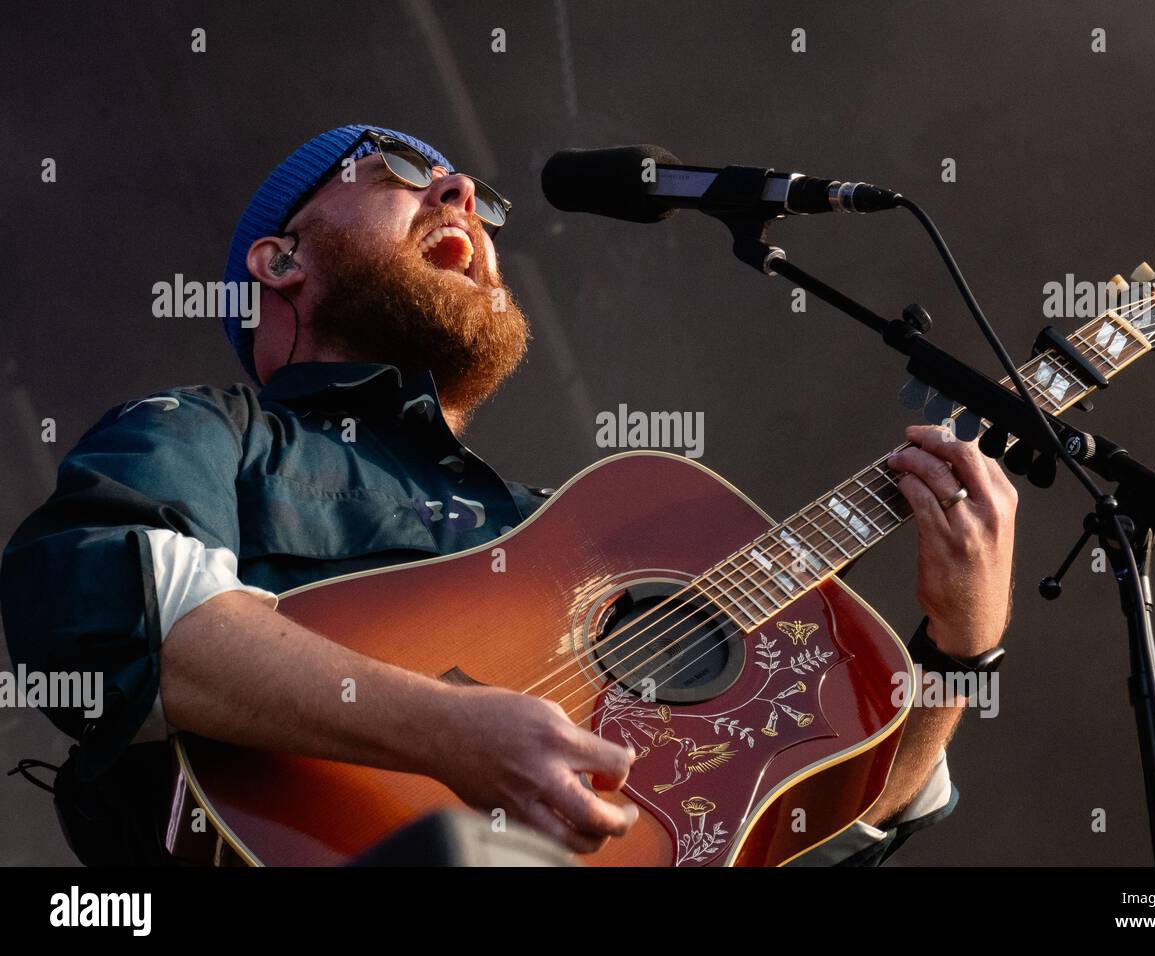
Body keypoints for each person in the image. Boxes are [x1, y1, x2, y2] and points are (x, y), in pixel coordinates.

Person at [1, 125, 1017, 865]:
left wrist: (961, 646)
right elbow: (110, 626)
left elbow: (822, 826)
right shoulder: (211, 432)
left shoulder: (572, 528)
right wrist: (452, 730)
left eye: (475, 198)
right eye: (398, 168)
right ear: (282, 259)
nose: (458, 191)